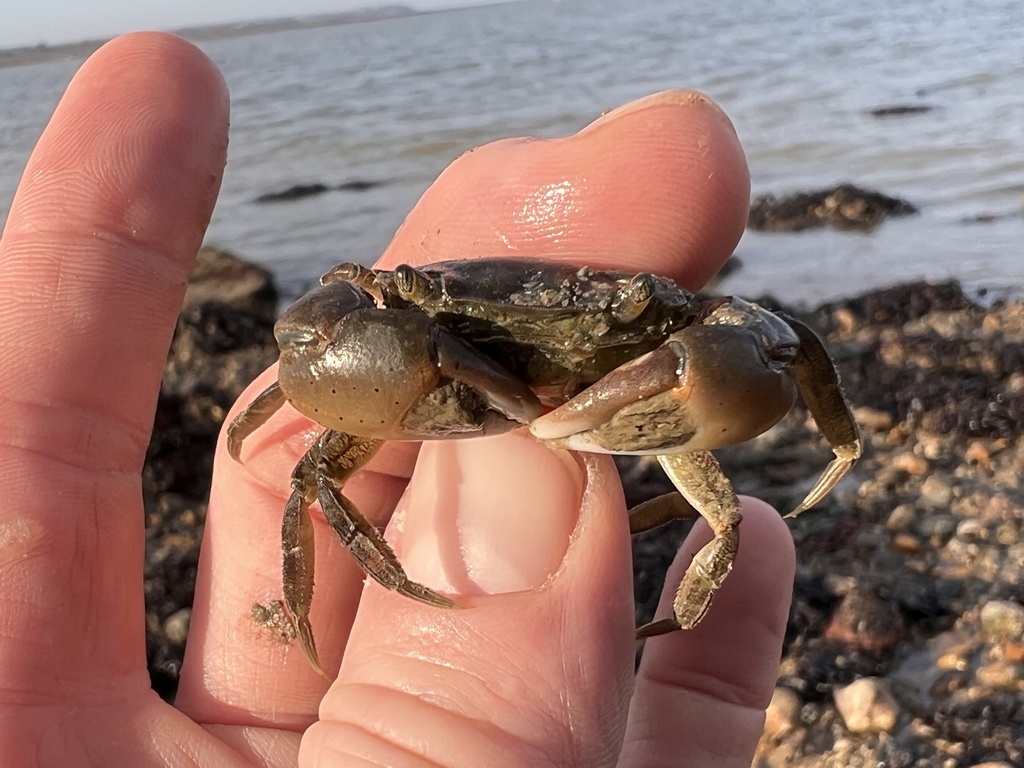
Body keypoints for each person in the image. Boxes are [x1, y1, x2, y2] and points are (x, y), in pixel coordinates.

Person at [0, 32, 795, 767]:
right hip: (421, 379)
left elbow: (774, 348)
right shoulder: (398, 313)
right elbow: (306, 349)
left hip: (630, 379)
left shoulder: (659, 318)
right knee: (313, 479)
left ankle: (653, 611)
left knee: (723, 523)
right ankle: (370, 599)